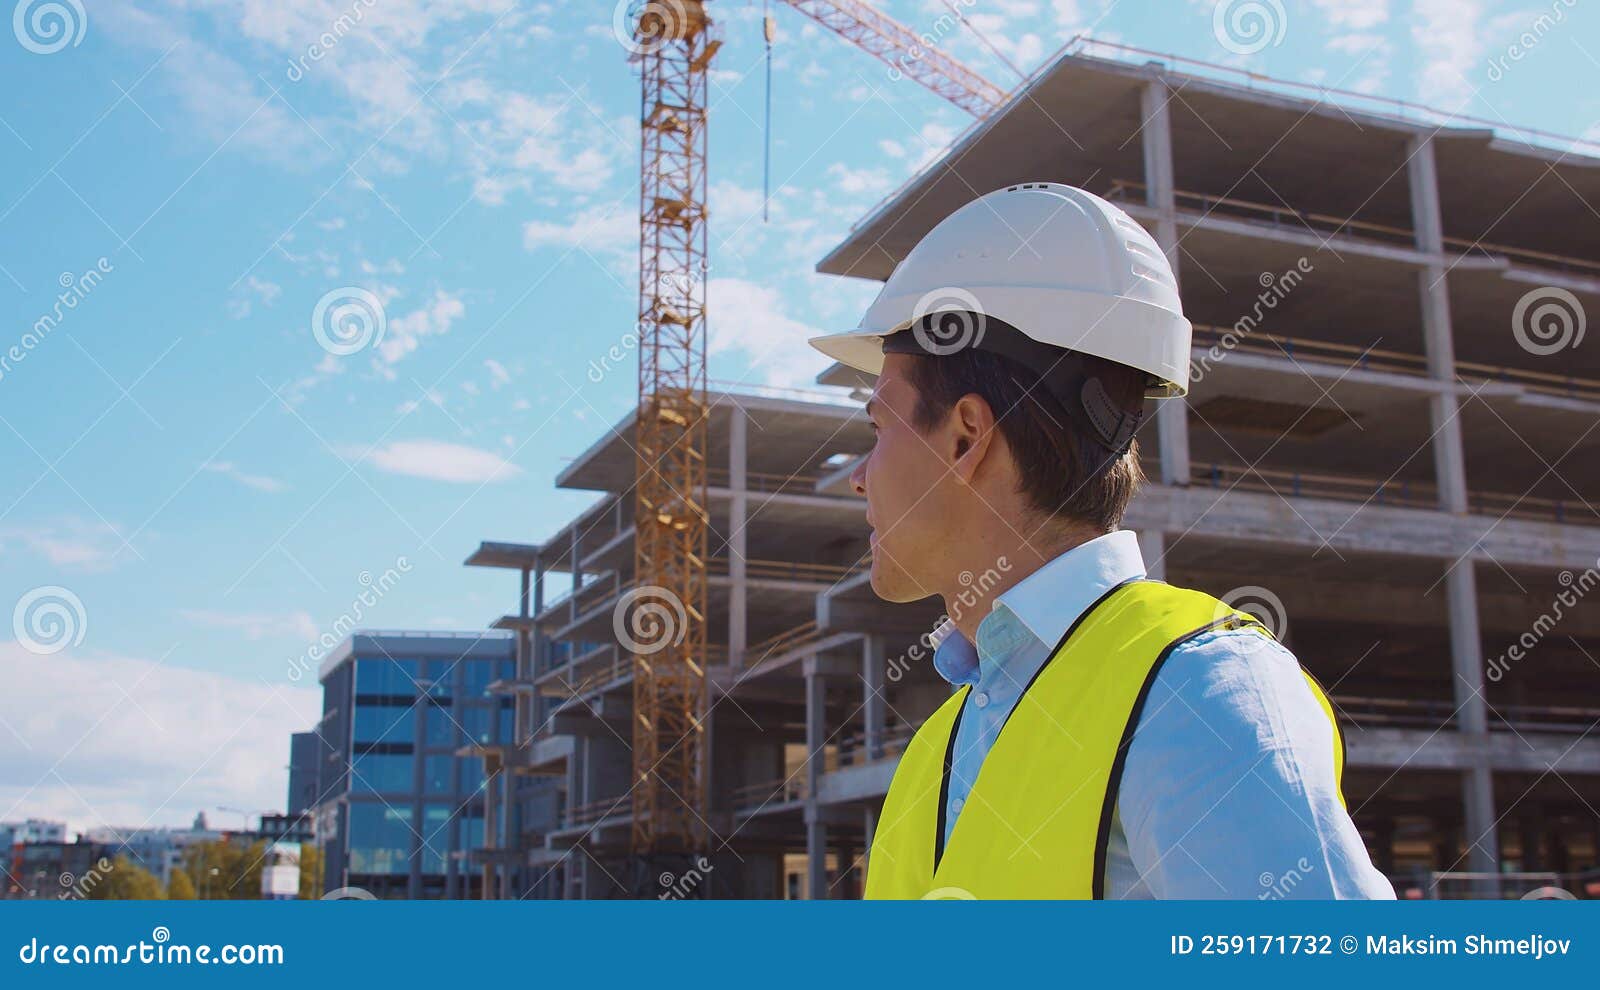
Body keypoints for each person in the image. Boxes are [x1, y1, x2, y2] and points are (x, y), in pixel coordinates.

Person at [809, 182, 1393, 900]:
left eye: (876, 429)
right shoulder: (935, 750)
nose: (858, 479)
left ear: (965, 436)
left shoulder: (1201, 692)